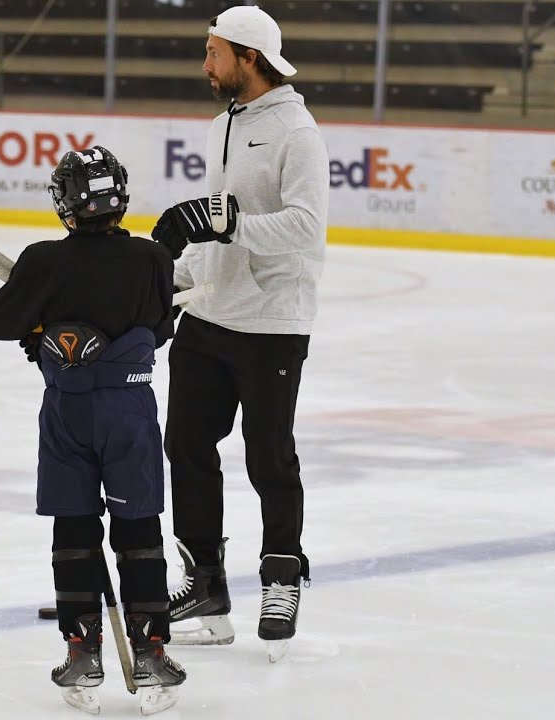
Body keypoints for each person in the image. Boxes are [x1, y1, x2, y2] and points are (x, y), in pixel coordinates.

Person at [148, 5, 330, 663]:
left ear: (249, 57)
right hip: (209, 314)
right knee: (186, 445)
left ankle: (281, 578)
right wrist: (171, 283)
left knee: (268, 456)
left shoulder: (297, 133)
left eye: (214, 52)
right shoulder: (223, 125)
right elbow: (214, 225)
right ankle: (206, 587)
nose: (205, 64)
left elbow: (305, 226)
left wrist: (228, 225)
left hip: (271, 322)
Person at [0, 145, 187, 715]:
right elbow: (158, 331)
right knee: (138, 528)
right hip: (130, 413)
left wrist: (45, 335)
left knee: (74, 528)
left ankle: (81, 648)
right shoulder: (152, 258)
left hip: (68, 416)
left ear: (67, 203)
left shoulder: (43, 260)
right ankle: (151, 649)